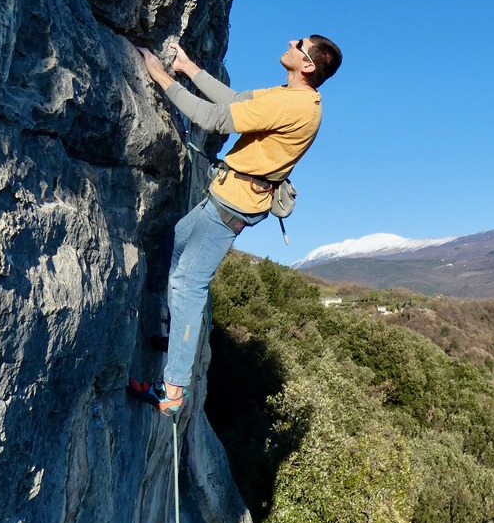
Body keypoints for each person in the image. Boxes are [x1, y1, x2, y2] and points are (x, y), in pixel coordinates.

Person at [128, 36, 342, 415]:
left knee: (187, 283)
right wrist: (188, 68)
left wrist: (161, 77)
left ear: (307, 66)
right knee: (176, 244)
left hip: (233, 205)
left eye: (301, 44)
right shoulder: (290, 96)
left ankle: (173, 391)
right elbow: (237, 101)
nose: (292, 41)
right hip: (228, 195)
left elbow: (212, 118)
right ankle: (179, 336)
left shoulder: (294, 105)